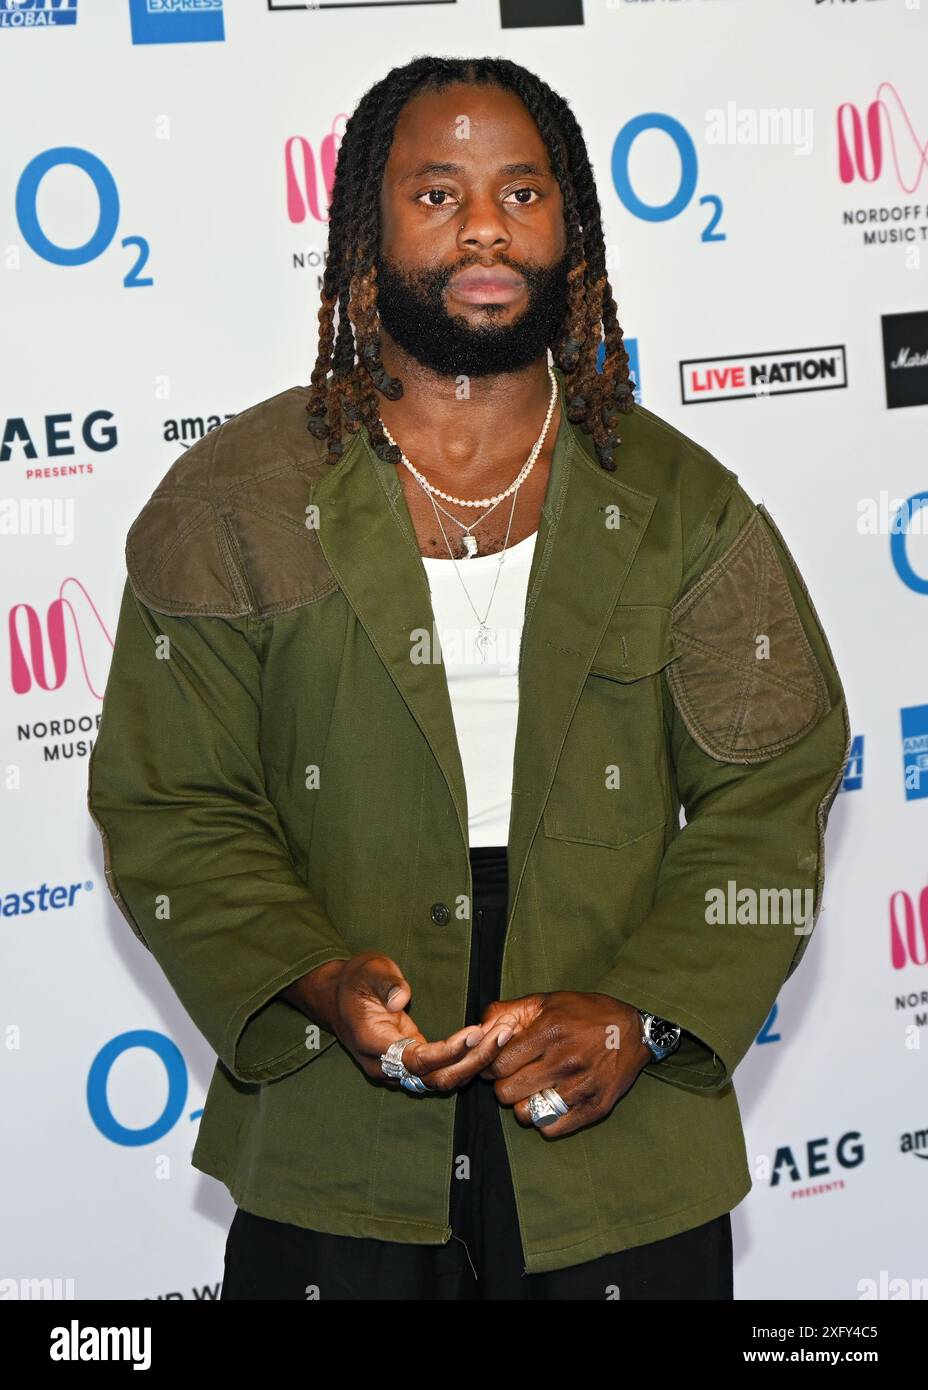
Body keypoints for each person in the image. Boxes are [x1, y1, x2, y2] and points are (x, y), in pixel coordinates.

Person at [87, 55, 851, 1300]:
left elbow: (772, 792)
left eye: (522, 192)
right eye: (437, 193)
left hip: (620, 1154)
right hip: (334, 1147)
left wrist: (642, 1013)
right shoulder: (233, 501)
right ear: (362, 237)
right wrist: (317, 978)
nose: (486, 225)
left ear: (574, 233)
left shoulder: (681, 504)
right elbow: (170, 804)